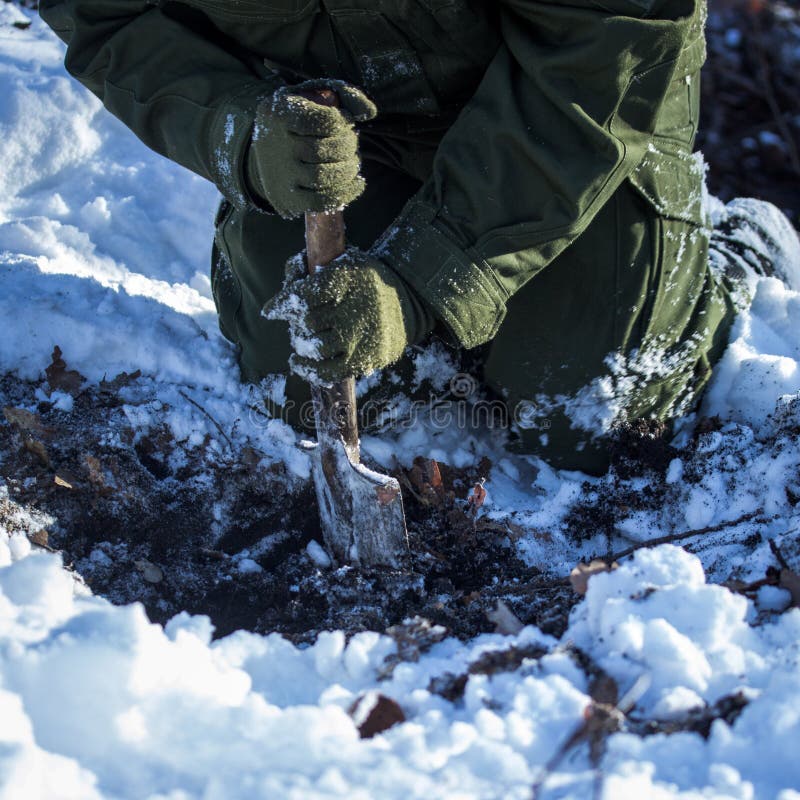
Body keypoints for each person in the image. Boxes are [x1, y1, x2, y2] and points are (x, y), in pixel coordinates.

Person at [40, 0, 800, 474]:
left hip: (568, 120)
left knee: (586, 420)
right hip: (344, 136)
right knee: (310, 394)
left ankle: (732, 253)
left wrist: (421, 280)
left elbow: (606, 48)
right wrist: (236, 128)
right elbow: (108, 18)